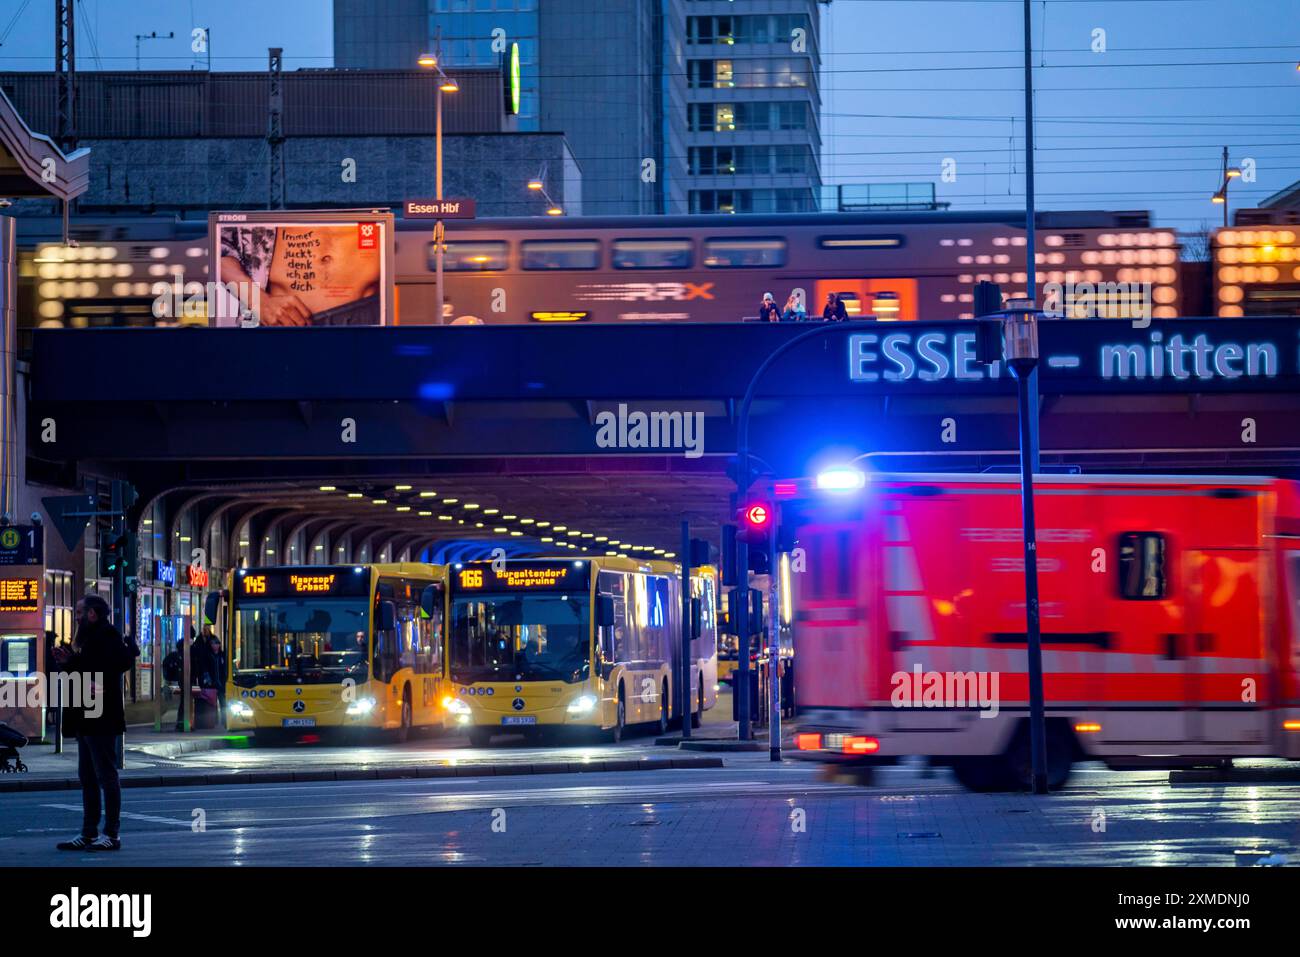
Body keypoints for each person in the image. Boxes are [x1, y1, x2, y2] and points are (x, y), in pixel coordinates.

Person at [53, 595, 138, 852]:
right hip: (88, 716)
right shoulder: (92, 639)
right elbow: (89, 671)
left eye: (79, 612)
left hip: (101, 717)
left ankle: (111, 834)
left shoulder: (105, 637)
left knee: (105, 776)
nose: (76, 616)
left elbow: (100, 673)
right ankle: (89, 832)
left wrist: (72, 664)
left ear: (92, 614)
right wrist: (68, 662)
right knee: (88, 777)